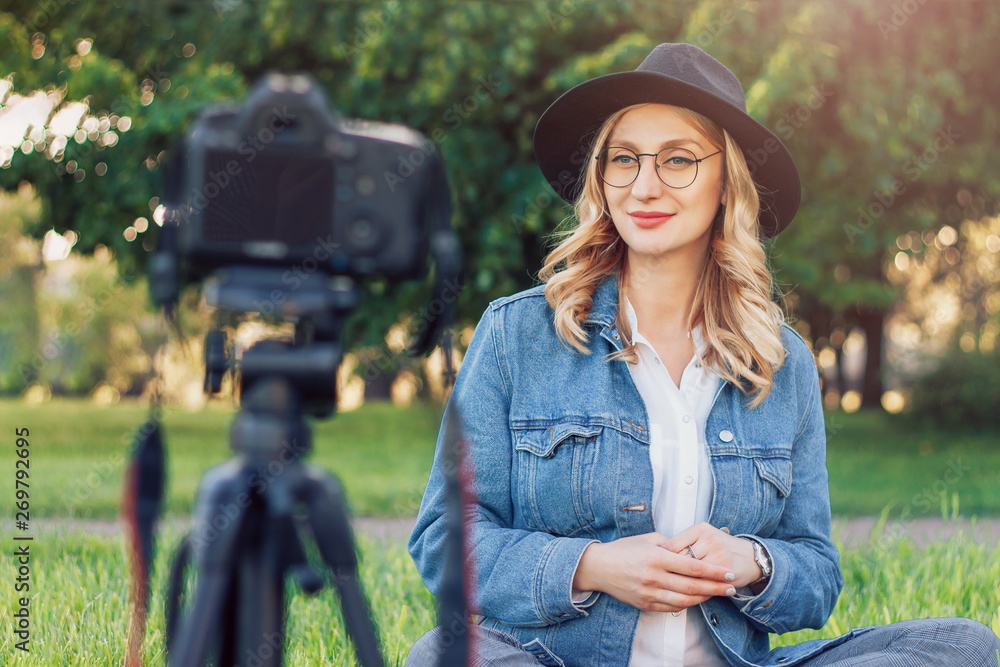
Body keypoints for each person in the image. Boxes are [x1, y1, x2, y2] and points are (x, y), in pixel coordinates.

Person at [406, 43, 1000, 667]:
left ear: (727, 183)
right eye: (624, 160)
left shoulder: (782, 361)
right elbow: (444, 540)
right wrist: (595, 566)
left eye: (679, 160)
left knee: (962, 647)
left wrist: (753, 562)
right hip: (556, 661)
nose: (645, 185)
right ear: (601, 180)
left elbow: (817, 576)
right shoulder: (517, 335)